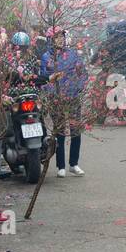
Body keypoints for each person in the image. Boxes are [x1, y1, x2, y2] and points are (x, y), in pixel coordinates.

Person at [41, 29, 87, 177]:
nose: (60, 39)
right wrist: (51, 93)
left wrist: (78, 87)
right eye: (57, 37)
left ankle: (74, 163)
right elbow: (44, 77)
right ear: (51, 39)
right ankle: (60, 166)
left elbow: (82, 72)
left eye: (62, 36)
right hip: (56, 99)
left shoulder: (73, 54)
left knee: (75, 130)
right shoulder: (46, 57)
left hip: (72, 96)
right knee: (59, 131)